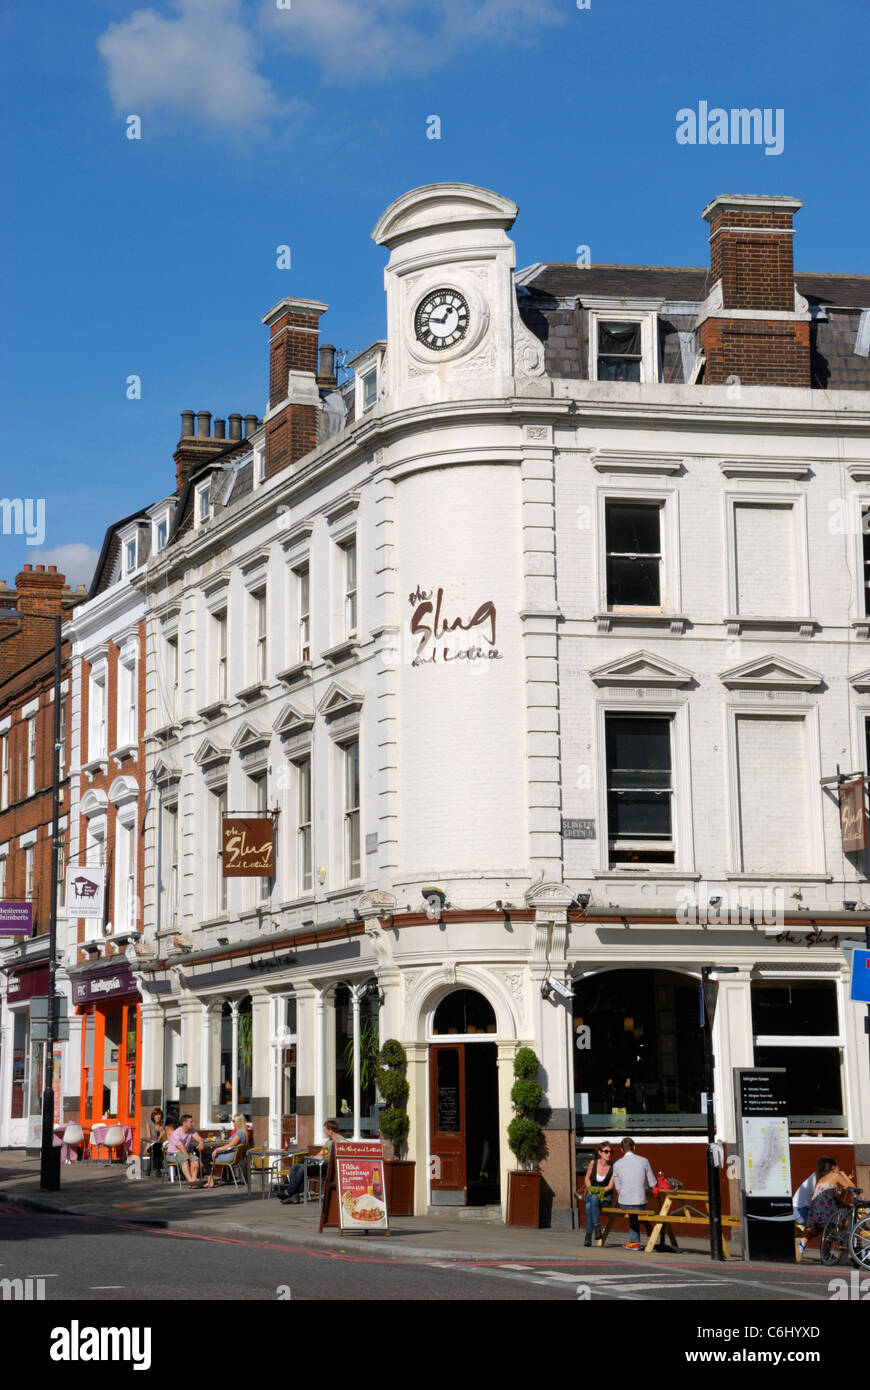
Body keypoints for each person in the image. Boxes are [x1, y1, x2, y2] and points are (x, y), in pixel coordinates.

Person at [608, 1135, 656, 1250]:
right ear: (634, 1147)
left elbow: (618, 1188)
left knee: (632, 1208)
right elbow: (653, 1183)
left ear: (621, 1150)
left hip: (624, 1202)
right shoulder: (644, 1161)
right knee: (637, 1206)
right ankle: (643, 1231)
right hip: (640, 1201)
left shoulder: (617, 1164)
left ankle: (635, 1242)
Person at [801, 1156, 856, 1253]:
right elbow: (854, 1189)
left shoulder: (822, 1179)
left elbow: (840, 1199)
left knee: (827, 1228)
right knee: (840, 1223)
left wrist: (843, 1187)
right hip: (824, 1215)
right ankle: (845, 1247)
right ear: (834, 1167)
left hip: (814, 1214)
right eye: (838, 1166)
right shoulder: (835, 1175)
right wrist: (844, 1176)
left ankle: (824, 1254)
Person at [582, 1143, 613, 1247]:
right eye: (606, 1151)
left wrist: (597, 1191)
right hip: (592, 1194)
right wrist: (590, 1188)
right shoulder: (593, 1163)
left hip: (605, 1197)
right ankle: (597, 1228)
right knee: (591, 1201)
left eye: (610, 1152)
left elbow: (610, 1186)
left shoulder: (613, 1167)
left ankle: (588, 1235)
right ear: (600, 1152)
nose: (608, 1154)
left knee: (588, 1205)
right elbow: (587, 1178)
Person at [204, 1114, 248, 1188]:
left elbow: (230, 1145)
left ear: (238, 1122)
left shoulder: (239, 1134)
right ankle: (210, 1180)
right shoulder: (243, 1133)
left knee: (205, 1155)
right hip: (234, 1156)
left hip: (230, 1157)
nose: (232, 1122)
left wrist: (217, 1149)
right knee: (208, 1153)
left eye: (233, 1121)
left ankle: (210, 1181)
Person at [167, 1114, 206, 1187]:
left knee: (196, 1160)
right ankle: (190, 1180)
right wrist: (190, 1160)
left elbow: (200, 1139)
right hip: (173, 1154)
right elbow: (182, 1149)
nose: (193, 1123)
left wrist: (201, 1143)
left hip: (184, 1152)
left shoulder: (191, 1131)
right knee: (185, 1160)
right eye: (191, 1122)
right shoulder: (176, 1133)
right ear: (184, 1123)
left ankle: (194, 1179)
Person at [144, 1108, 165, 1177]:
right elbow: (148, 1137)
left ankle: (152, 1170)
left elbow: (163, 1137)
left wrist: (160, 1137)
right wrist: (157, 1139)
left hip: (162, 1145)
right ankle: (157, 1169)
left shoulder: (163, 1124)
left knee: (157, 1148)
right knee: (156, 1148)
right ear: (153, 1116)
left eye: (159, 1115)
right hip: (151, 1145)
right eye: (156, 1115)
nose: (158, 1116)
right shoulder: (149, 1124)